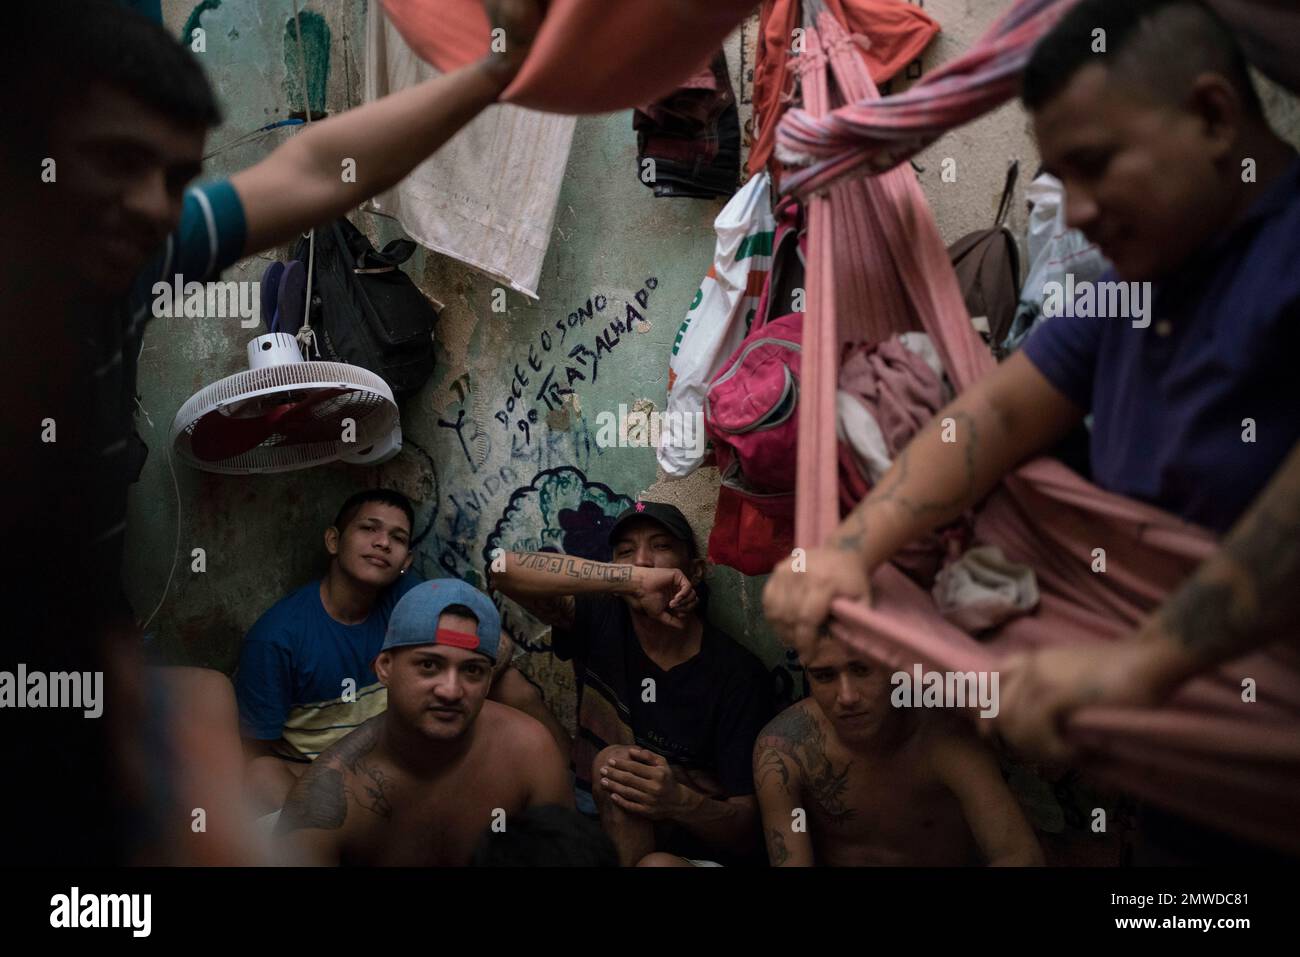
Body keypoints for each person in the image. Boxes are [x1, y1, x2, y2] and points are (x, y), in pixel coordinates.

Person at [762, 0, 1300, 859]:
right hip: (1186, 780)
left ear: (1211, 115)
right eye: (1059, 179)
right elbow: (994, 413)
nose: (1076, 211)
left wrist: (1144, 663)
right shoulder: (1131, 280)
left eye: (1095, 166)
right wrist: (852, 548)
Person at [236, 488, 568, 813]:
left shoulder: (409, 597)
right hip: (320, 770)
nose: (382, 543)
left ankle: (567, 799)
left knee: (510, 684)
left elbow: (496, 645)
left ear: (405, 561)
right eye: (368, 529)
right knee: (261, 775)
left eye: (397, 538)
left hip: (403, 751)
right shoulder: (278, 636)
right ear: (334, 541)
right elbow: (253, 752)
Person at [491, 502, 774, 866]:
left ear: (695, 571)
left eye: (660, 546)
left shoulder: (736, 674)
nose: (641, 560)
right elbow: (500, 568)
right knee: (510, 691)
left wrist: (679, 801)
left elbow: (748, 831)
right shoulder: (601, 615)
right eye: (626, 552)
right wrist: (633, 580)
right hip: (589, 807)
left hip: (682, 847)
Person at [275, 580, 572, 866]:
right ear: (384, 668)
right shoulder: (331, 799)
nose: (451, 691)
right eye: (429, 665)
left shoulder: (529, 750)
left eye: (472, 670)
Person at [754, 636, 1043, 866]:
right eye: (824, 676)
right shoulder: (785, 749)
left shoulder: (945, 737)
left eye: (862, 669)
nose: (847, 697)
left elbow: (1019, 856)